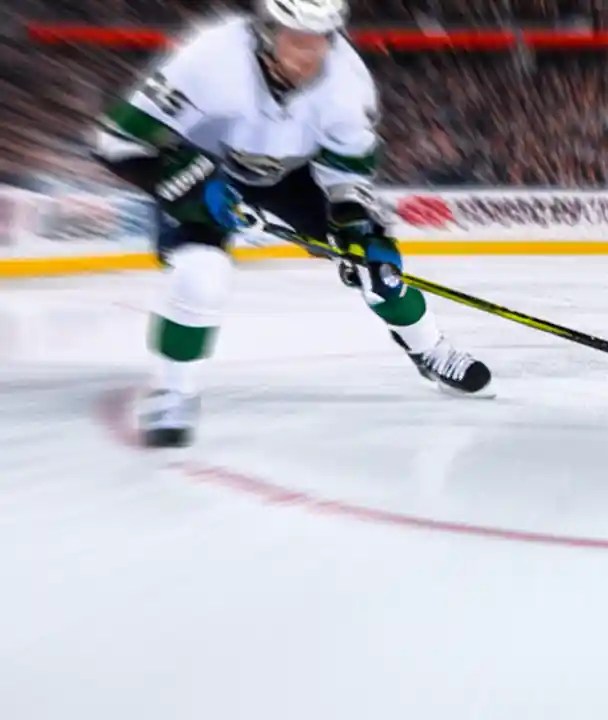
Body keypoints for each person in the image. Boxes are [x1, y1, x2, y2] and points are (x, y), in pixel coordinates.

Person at [91, 0, 492, 448]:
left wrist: (358, 229)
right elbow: (115, 143)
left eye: (323, 39)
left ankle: (430, 351)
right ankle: (174, 392)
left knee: (381, 275)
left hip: (288, 175)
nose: (311, 54)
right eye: (298, 39)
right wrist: (185, 184)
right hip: (201, 170)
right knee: (201, 277)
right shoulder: (208, 58)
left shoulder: (348, 81)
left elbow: (348, 176)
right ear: (266, 31)